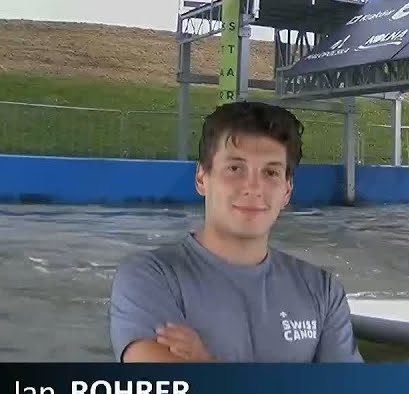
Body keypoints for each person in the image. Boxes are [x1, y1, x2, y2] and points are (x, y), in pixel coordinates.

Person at [108, 101, 362, 363]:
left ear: (287, 190)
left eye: (271, 172)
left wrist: (207, 364)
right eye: (235, 168)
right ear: (201, 178)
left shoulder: (322, 290)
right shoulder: (152, 277)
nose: (253, 187)